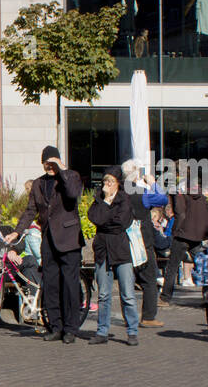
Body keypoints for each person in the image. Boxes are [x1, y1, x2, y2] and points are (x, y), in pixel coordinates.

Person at [12, 145, 85, 342]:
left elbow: (72, 194)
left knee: (70, 285)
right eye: (46, 163)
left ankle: (71, 328)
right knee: (50, 284)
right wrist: (17, 232)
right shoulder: (37, 184)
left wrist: (62, 169)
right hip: (49, 241)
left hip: (69, 240)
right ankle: (55, 326)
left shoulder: (71, 177)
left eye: (53, 162)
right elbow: (30, 211)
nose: (49, 166)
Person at [86, 167, 140, 345]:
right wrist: (105, 203)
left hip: (121, 251)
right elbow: (94, 217)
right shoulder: (99, 199)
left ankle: (132, 331)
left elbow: (121, 223)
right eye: (105, 181)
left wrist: (105, 220)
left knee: (128, 294)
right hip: (102, 251)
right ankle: (102, 331)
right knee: (103, 295)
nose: (106, 185)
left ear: (118, 183)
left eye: (110, 181)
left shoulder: (124, 199)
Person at [123, 159, 167, 327]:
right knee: (149, 279)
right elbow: (162, 199)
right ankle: (148, 317)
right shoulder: (142, 193)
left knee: (126, 281)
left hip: (123, 240)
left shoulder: (119, 192)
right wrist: (153, 183)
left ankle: (129, 317)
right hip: (142, 240)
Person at [160, 168, 208, 305]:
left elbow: (180, 212)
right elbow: (207, 211)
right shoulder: (199, 192)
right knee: (203, 265)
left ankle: (165, 297)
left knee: (172, 266)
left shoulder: (180, 191)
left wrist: (176, 229)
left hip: (183, 234)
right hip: (197, 234)